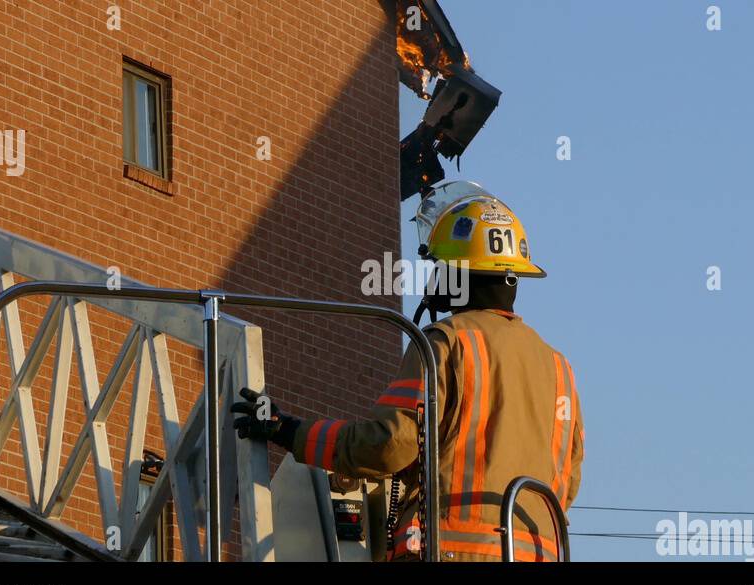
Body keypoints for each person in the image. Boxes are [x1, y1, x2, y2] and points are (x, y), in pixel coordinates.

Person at [233, 181, 584, 561]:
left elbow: (390, 445)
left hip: (451, 553)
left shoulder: (446, 343)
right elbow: (567, 484)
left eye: (438, 267)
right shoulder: (559, 367)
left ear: (455, 274)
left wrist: (289, 430)